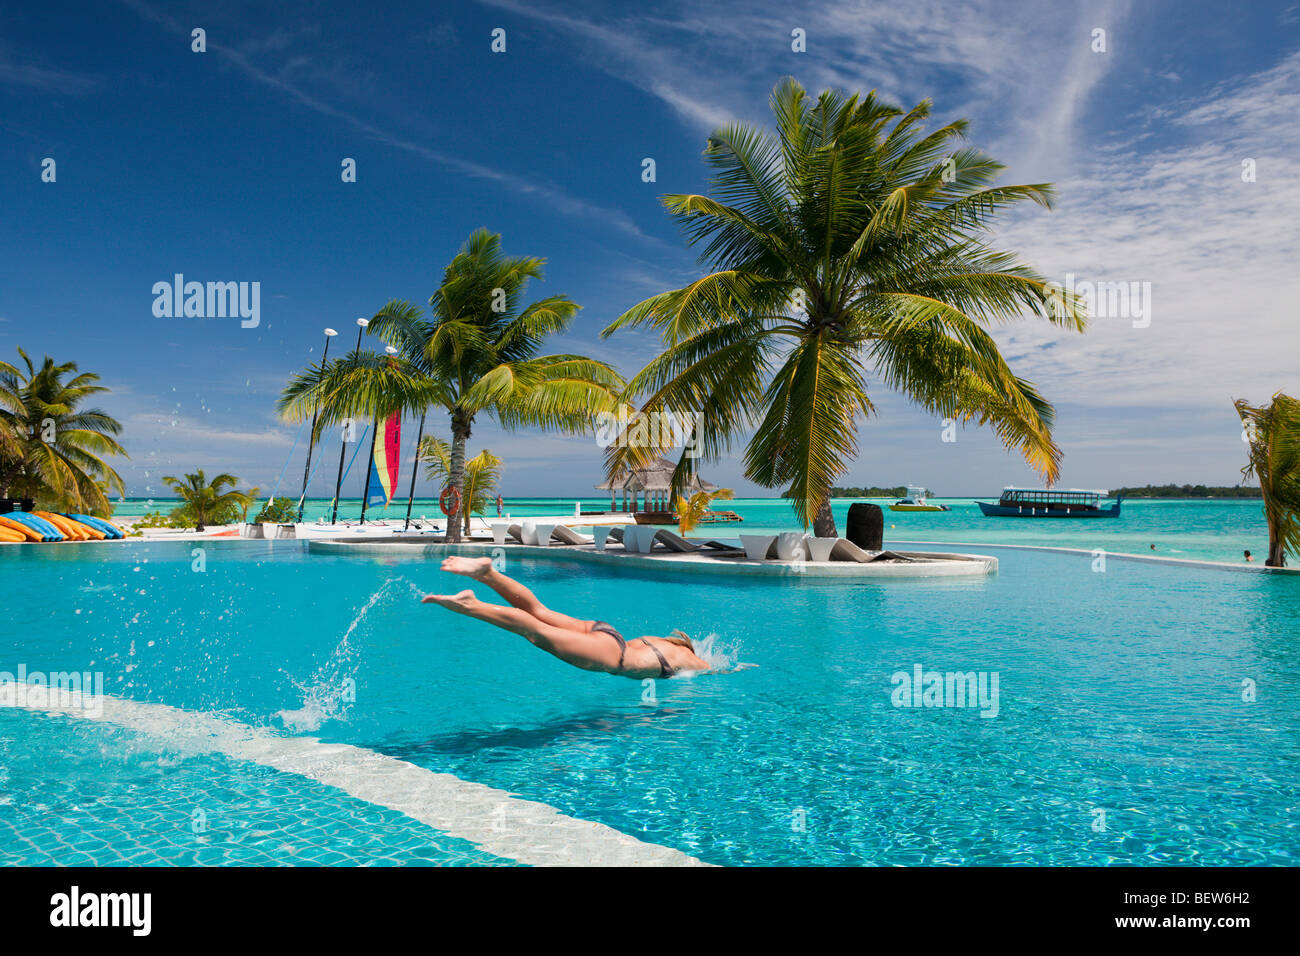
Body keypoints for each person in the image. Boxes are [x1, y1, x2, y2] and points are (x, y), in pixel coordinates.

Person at [422, 556, 710, 678]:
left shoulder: (664, 642)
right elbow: (708, 670)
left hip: (604, 632)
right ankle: (472, 605)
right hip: (613, 656)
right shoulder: (687, 660)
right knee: (536, 632)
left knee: (539, 611)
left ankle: (489, 574)